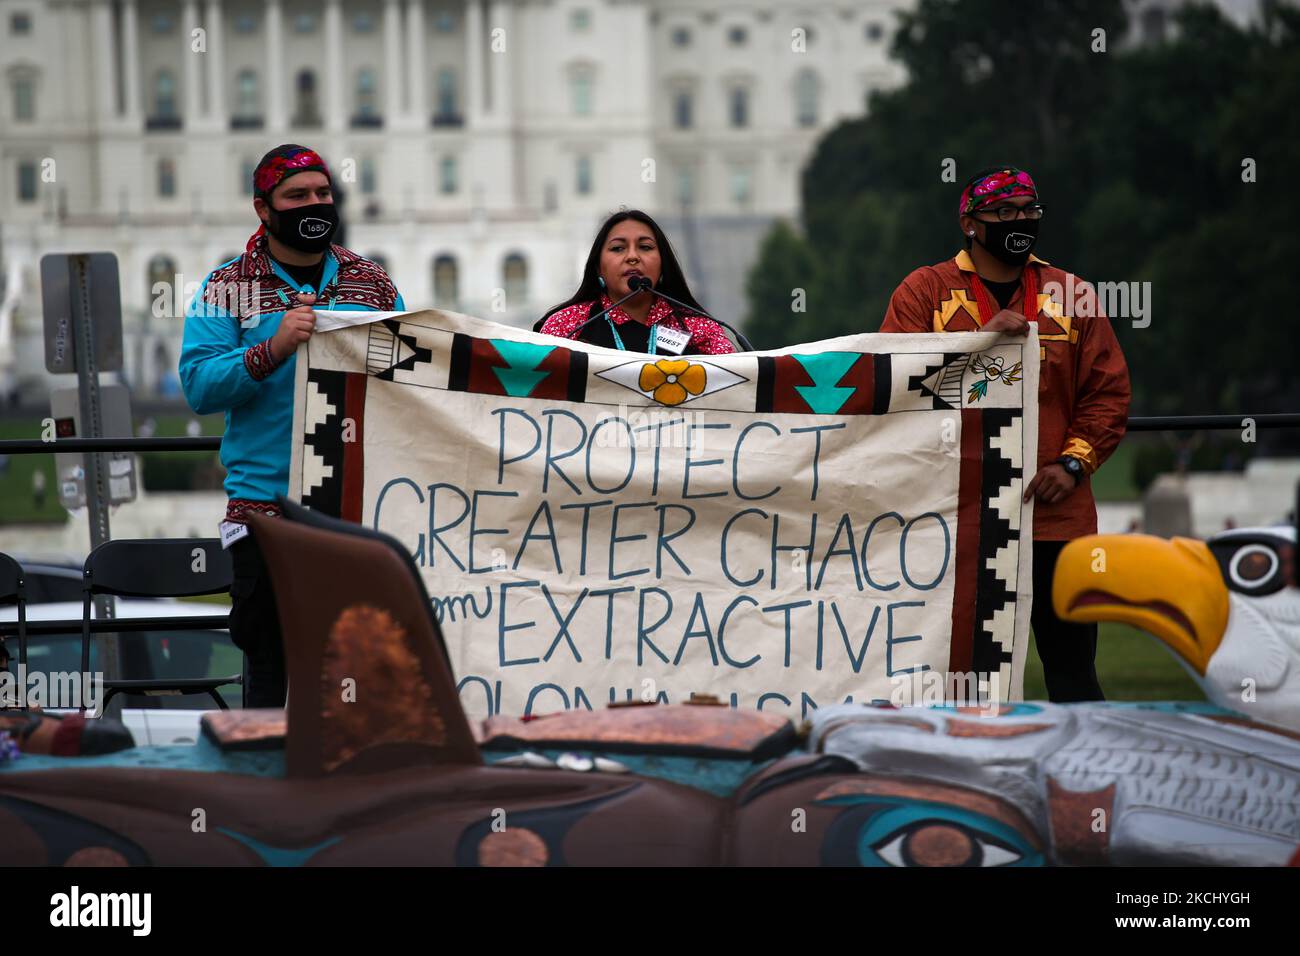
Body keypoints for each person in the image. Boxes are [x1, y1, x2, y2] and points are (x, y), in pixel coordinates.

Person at [880, 165, 1131, 702]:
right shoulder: (923, 290)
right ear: (970, 223)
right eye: (1004, 212)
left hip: (1055, 518)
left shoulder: (1074, 294)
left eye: (1029, 210)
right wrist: (975, 341)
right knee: (956, 675)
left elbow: (1107, 395)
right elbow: (892, 384)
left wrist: (1072, 465)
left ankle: (1086, 780)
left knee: (1073, 672)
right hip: (954, 519)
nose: (1020, 221)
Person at [179, 144, 405, 707]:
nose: (315, 204)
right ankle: (266, 783)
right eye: (297, 196)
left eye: (323, 194)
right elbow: (200, 386)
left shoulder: (372, 283)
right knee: (269, 664)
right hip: (266, 512)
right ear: (264, 208)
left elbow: (410, 374)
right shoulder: (226, 287)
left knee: (356, 661)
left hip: (356, 507)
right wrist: (272, 349)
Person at [535, 210, 735, 355]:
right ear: (598, 267)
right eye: (618, 248)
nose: (632, 257)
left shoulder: (699, 328)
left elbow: (735, 387)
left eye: (645, 247)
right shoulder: (568, 324)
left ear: (663, 264)